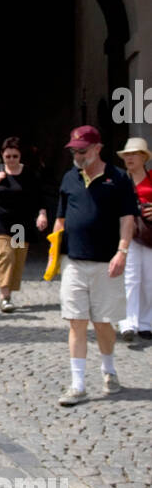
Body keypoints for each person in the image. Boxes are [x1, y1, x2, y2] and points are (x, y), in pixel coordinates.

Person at [53, 124, 135, 406]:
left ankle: (109, 369)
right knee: (76, 321)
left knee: (102, 323)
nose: (77, 155)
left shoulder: (119, 179)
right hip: (73, 261)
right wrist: (54, 254)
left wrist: (122, 252)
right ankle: (78, 385)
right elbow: (61, 219)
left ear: (97, 148)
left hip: (106, 263)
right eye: (74, 150)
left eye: (82, 150)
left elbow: (127, 219)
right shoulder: (69, 179)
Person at [0, 136, 48, 313]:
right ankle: (5, 297)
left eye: (14, 156)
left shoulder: (28, 174)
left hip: (20, 224)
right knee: (6, 255)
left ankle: (10, 291)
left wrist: (42, 214)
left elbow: (39, 196)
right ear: (2, 155)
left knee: (17, 258)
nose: (11, 160)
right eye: (7, 156)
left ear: (20, 156)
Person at [115, 137, 152, 341]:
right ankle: (127, 322)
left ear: (143, 157)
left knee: (149, 280)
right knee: (130, 279)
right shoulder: (120, 179)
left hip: (148, 234)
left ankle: (146, 323)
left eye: (133, 154)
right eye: (126, 154)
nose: (129, 158)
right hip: (127, 233)